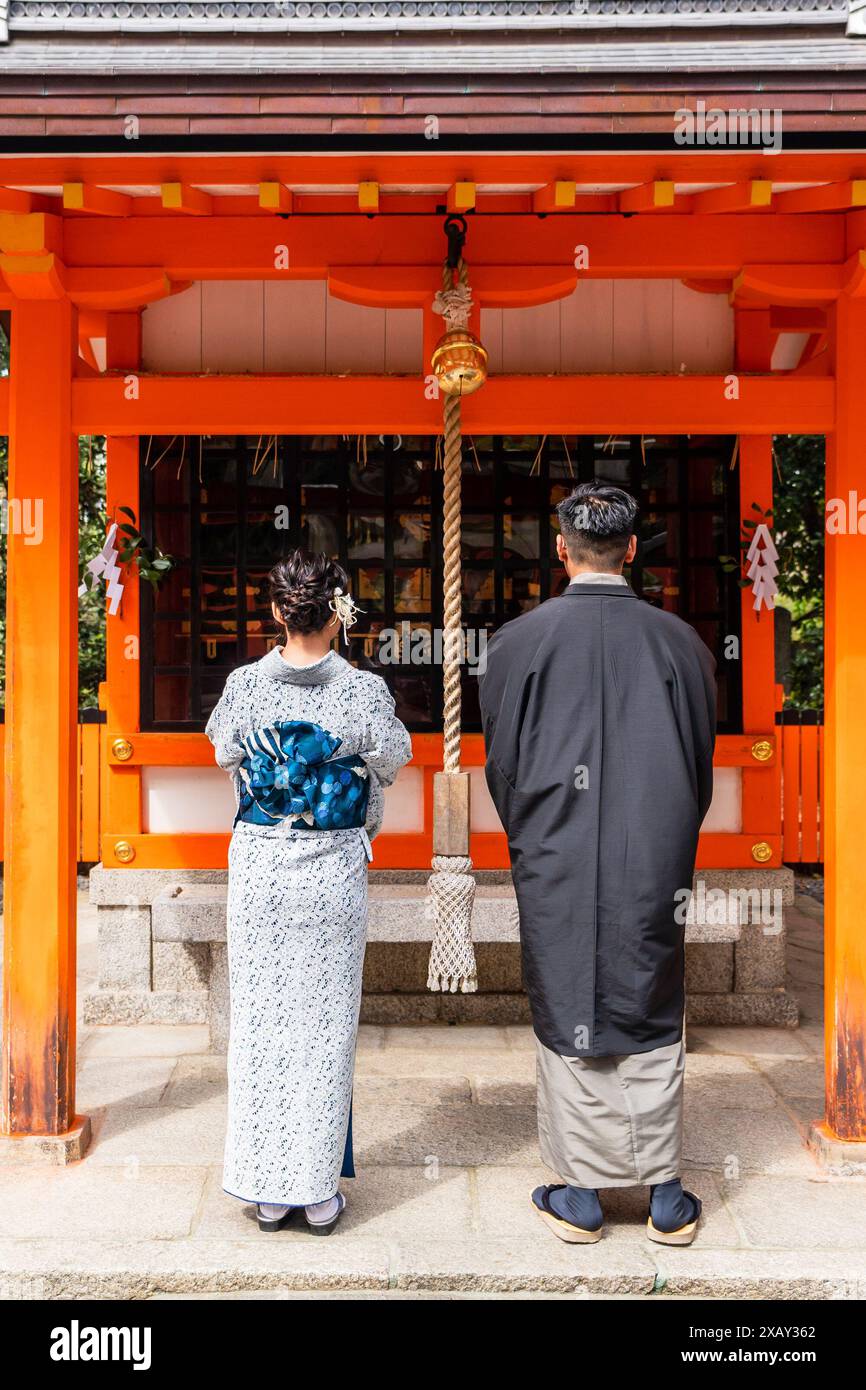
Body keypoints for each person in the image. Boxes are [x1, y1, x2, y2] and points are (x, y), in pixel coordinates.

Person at [479, 481, 716, 1247]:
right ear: (633, 549)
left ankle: (578, 1191)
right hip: (655, 847)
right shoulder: (681, 643)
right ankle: (664, 1193)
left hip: (556, 847)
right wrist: (667, 827)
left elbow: (504, 766)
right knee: (649, 989)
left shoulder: (519, 644)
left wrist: (538, 831)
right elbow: (696, 761)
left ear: (560, 549)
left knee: (568, 988)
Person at [206, 549, 412, 1235]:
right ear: (339, 611)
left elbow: (221, 751)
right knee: (323, 1028)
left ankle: (267, 1191)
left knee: (261, 1025)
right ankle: (317, 1192)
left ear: (275, 612)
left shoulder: (242, 685)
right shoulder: (364, 690)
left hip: (261, 865)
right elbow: (392, 758)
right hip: (330, 870)